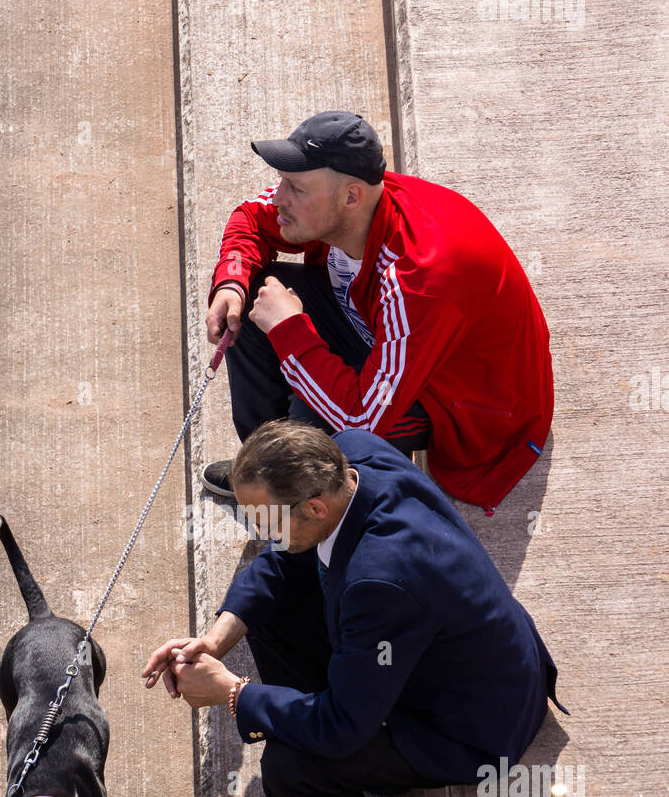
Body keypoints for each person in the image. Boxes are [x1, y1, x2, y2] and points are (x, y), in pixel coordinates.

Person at [143, 421, 567, 797]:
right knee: (269, 609)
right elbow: (280, 560)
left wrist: (233, 693)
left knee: (291, 761)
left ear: (315, 508)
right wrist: (215, 638)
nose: (261, 531)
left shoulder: (379, 580)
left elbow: (342, 726)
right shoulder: (353, 454)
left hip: (473, 726)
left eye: (265, 518)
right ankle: (329, 714)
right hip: (459, 657)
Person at [202, 110, 554, 515]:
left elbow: (364, 419)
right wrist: (231, 280)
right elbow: (250, 216)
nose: (279, 196)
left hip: (457, 398)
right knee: (248, 298)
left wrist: (290, 331)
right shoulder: (355, 206)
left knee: (315, 421)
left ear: (351, 196)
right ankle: (264, 469)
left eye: (296, 187)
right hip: (378, 327)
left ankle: (292, 491)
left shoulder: (420, 277)